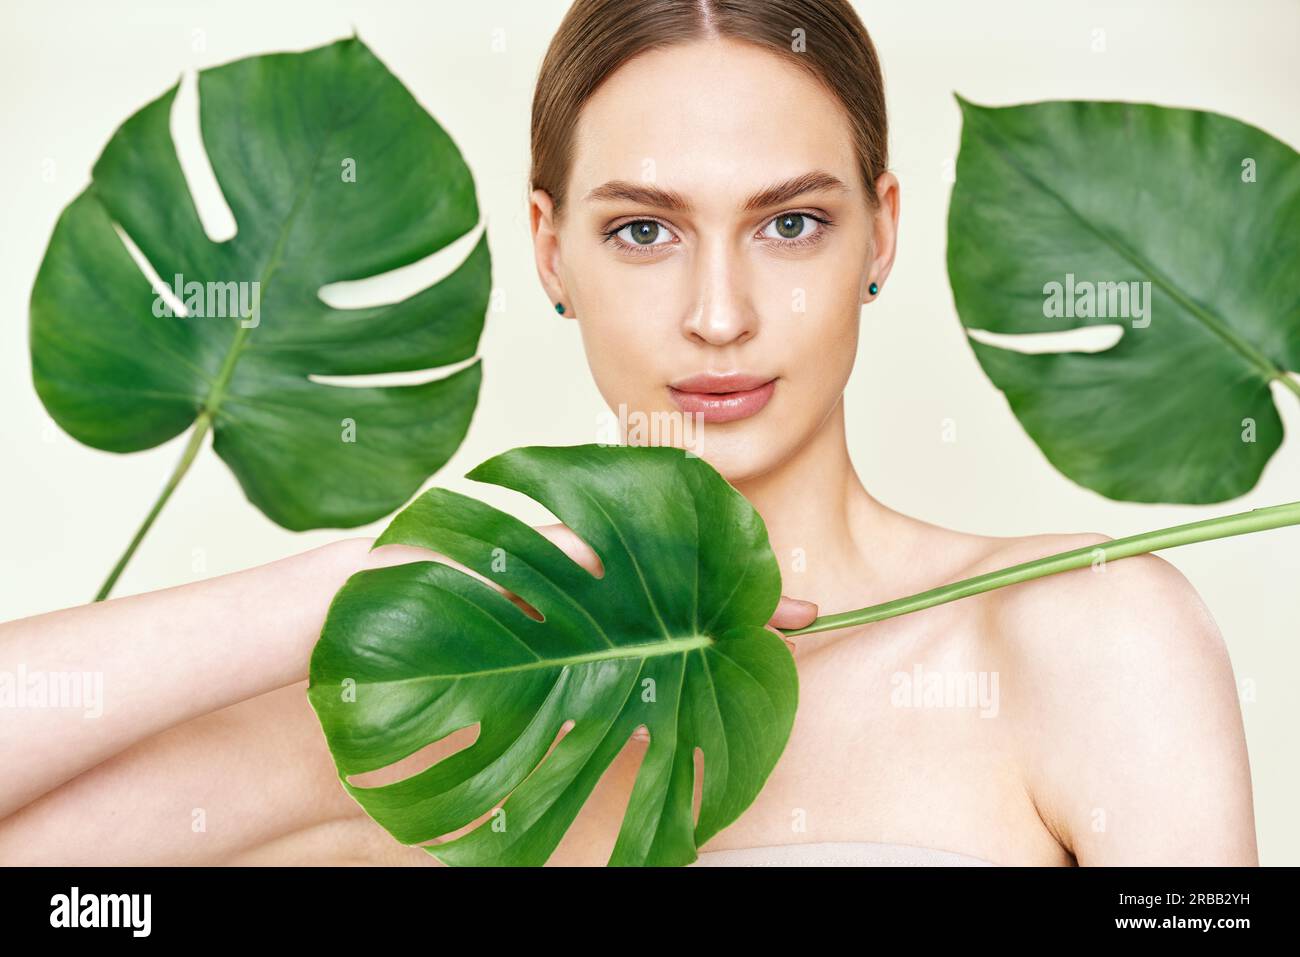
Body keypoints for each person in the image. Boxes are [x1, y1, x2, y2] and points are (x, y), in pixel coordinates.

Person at [0, 0, 1256, 866]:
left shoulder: (1082, 634)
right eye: (643, 230)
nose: (719, 316)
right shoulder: (452, 703)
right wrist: (373, 578)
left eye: (791, 224)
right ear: (551, 250)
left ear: (881, 230)